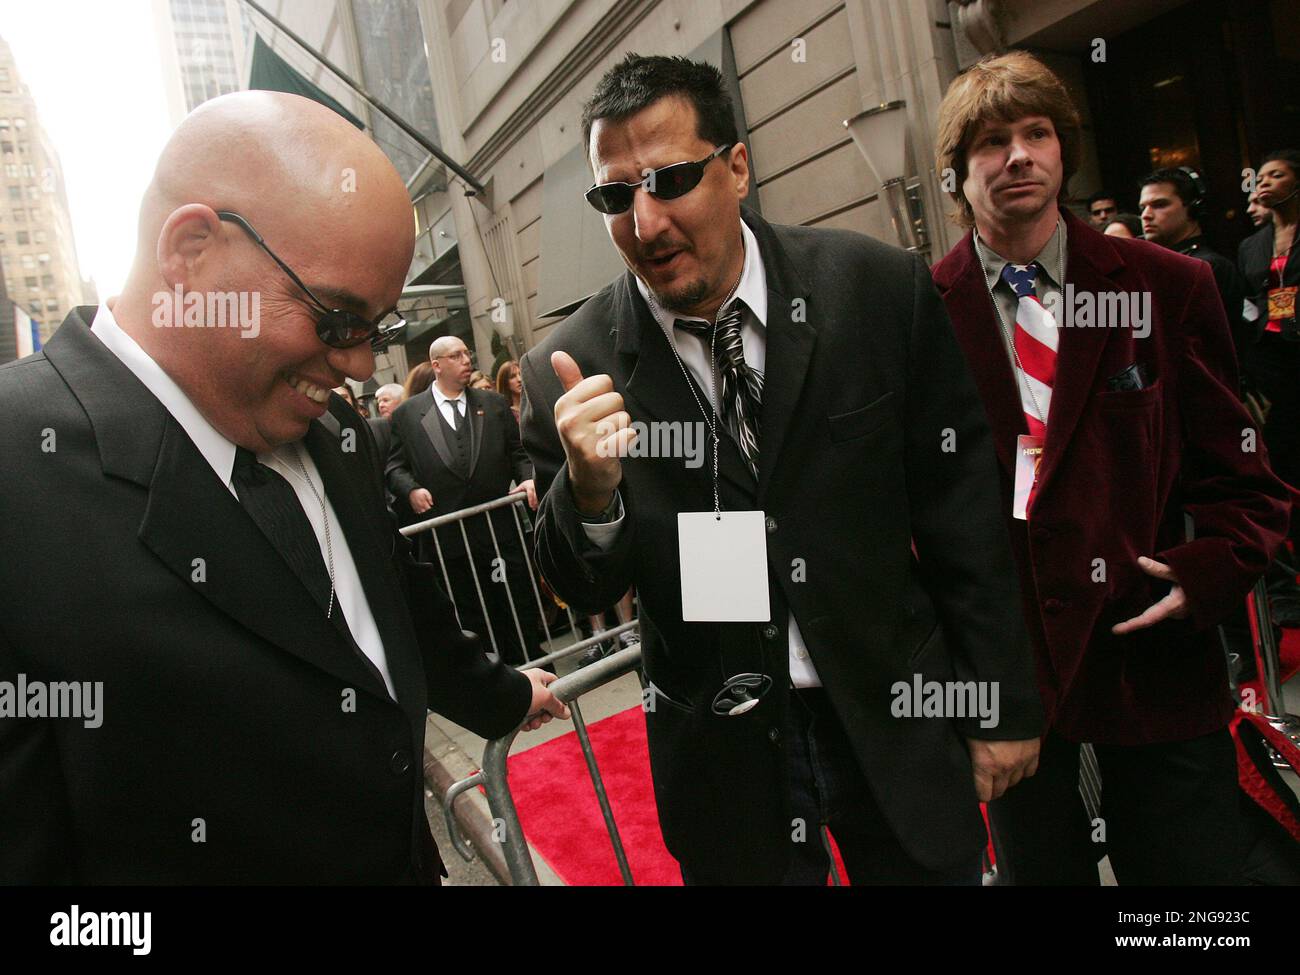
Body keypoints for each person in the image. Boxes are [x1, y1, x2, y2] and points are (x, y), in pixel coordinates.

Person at [0, 91, 567, 884]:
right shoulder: (17, 467)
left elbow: (397, 618)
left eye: (376, 330)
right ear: (191, 250)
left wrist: (506, 693)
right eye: (336, 319)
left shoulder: (334, 434)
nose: (361, 365)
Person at [520, 53, 1043, 885]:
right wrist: (588, 492)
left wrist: (1000, 702)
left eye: (671, 180)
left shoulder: (874, 290)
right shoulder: (570, 365)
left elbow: (961, 515)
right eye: (615, 196)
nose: (645, 224)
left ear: (736, 166)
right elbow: (582, 589)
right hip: (728, 758)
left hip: (895, 717)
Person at [931, 51, 1291, 885]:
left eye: (1037, 132)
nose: (1017, 154)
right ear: (957, 171)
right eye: (990, 141)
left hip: (1153, 661)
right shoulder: (920, 314)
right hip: (1015, 688)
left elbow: (1246, 477)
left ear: (1064, 151)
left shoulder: (1168, 285)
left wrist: (1203, 574)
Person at [387, 335, 543, 665]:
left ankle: (535, 666)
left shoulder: (494, 403)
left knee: (517, 599)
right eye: (456, 356)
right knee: (470, 607)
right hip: (449, 539)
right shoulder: (408, 415)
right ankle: (493, 675)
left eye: (467, 353)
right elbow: (395, 466)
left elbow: (519, 453)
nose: (466, 360)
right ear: (437, 365)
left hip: (500, 529)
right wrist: (410, 489)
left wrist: (528, 478)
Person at [1238, 149, 1300, 627]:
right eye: (1260, 176)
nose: (1263, 183)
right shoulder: (1252, 246)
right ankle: (1287, 593)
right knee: (1278, 473)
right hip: (1272, 368)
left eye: (1276, 175)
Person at [1139, 166, 1254, 367]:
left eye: (1159, 205)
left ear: (1193, 208)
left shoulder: (1209, 266)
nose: (1146, 215)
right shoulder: (1153, 264)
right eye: (1143, 208)